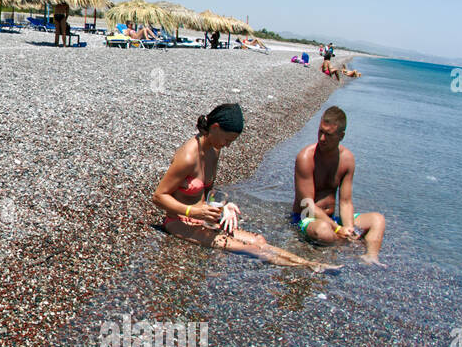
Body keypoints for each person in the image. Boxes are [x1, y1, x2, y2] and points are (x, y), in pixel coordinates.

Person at [153, 103, 336, 272]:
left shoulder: (213, 150)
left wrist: (224, 207)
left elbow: (206, 194)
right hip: (179, 222)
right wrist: (193, 212)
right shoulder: (188, 157)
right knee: (254, 250)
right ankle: (311, 268)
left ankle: (311, 263)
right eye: (227, 139)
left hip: (202, 218)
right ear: (215, 128)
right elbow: (159, 197)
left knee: (259, 240)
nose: (228, 145)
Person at [292, 106, 386, 265]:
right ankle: (345, 246)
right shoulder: (306, 157)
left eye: (328, 135)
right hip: (307, 217)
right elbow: (307, 204)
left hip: (333, 219)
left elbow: (346, 202)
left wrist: (348, 227)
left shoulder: (347, 159)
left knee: (377, 219)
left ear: (341, 136)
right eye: (320, 131)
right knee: (323, 231)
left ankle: (371, 256)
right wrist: (337, 228)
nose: (322, 138)